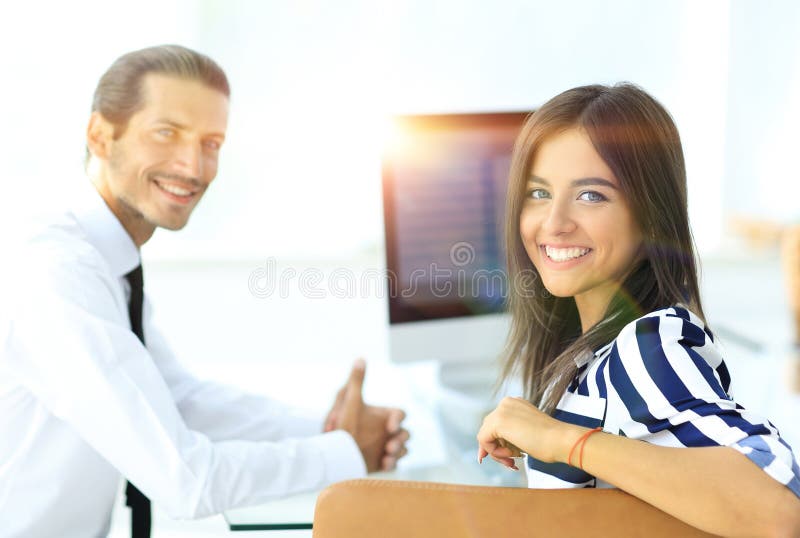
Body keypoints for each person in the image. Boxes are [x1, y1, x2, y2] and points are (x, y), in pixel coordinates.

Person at [0, 45, 408, 538]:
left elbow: (178, 399)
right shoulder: (57, 272)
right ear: (101, 136)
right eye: (166, 133)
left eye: (211, 142)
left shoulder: (105, 260)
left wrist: (324, 424)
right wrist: (345, 452)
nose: (193, 166)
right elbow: (185, 480)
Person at [475, 83, 800, 536]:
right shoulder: (589, 355)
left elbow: (780, 506)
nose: (554, 223)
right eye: (539, 193)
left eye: (591, 195)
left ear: (649, 215)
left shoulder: (648, 344)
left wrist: (560, 440)